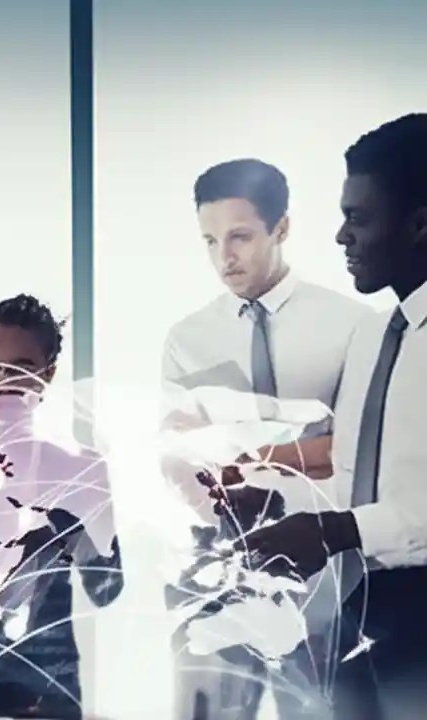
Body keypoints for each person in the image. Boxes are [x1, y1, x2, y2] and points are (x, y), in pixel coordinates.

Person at [159, 158, 370, 720]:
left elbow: (352, 452)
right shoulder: (188, 338)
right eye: (209, 240)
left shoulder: (351, 325)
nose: (224, 257)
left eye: (240, 236)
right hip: (217, 574)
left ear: (282, 228)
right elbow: (179, 455)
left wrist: (247, 456)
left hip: (322, 584)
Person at [241, 113, 427, 720]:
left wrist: (333, 533)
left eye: (360, 217)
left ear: (421, 223)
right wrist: (276, 503)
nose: (343, 236)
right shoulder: (376, 335)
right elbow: (357, 479)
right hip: (362, 617)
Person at [0, 294, 124, 719]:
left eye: (19, 370)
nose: (0, 383)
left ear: (48, 375)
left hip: (46, 689)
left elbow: (106, 589)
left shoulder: (81, 466)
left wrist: (65, 527)